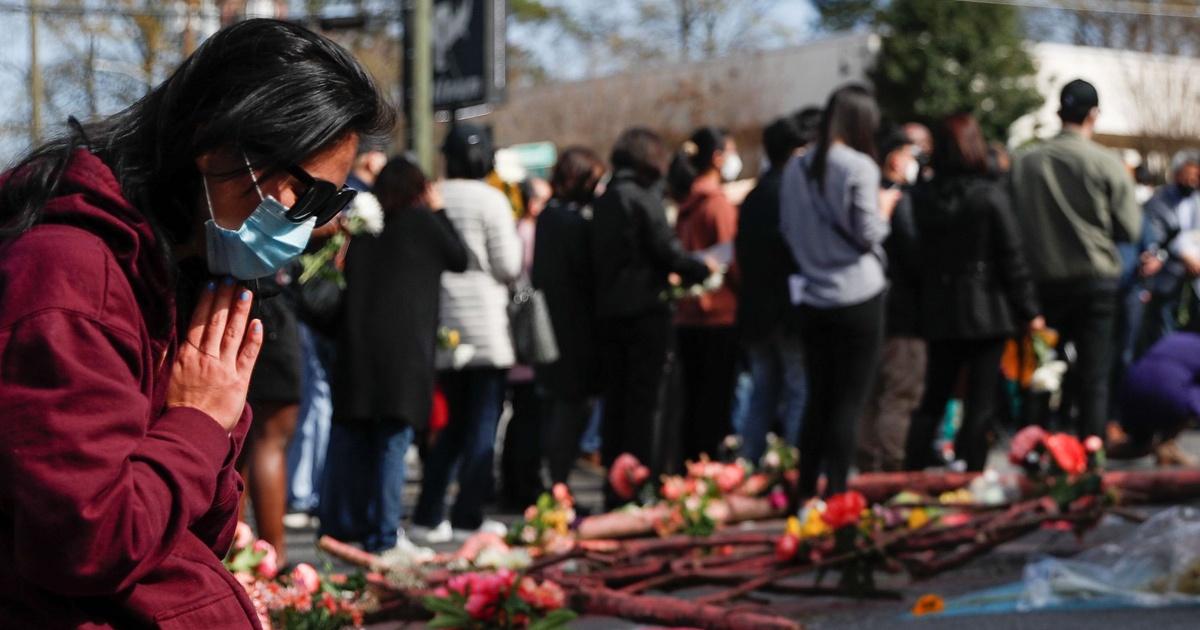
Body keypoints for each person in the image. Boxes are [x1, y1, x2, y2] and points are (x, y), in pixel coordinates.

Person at [0, 18, 392, 627]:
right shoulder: (70, 279)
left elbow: (193, 531)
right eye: (307, 195)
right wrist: (198, 423)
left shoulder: (182, 276)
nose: (316, 227)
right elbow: (89, 545)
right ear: (216, 143)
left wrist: (216, 425)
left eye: (333, 204)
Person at [321, 157, 467, 552]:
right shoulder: (425, 224)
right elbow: (461, 258)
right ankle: (384, 536)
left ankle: (347, 527)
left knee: (358, 441)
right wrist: (440, 209)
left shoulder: (364, 228)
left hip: (358, 350)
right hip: (405, 355)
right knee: (393, 443)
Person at [904, 114, 1043, 472]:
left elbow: (915, 255)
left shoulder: (923, 197)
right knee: (980, 402)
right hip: (986, 309)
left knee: (935, 395)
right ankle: (972, 475)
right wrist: (1029, 310)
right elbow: (1012, 257)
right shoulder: (989, 196)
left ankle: (912, 470)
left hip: (939, 306)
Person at [779, 84, 894, 499]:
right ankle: (838, 495)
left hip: (811, 294)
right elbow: (869, 234)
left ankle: (805, 490)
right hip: (858, 294)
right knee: (848, 401)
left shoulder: (795, 167)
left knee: (817, 399)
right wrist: (887, 211)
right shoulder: (859, 166)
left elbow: (788, 230)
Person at [1010, 79, 1141, 440]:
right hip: (1095, 281)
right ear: (1093, 115)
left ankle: (1031, 453)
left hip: (1042, 282)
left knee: (1042, 372)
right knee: (1094, 376)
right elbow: (1130, 227)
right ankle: (1090, 457)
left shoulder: (1025, 163)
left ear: (1058, 112)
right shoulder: (1105, 163)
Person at [591, 127, 714, 507]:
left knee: (616, 402)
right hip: (645, 312)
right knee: (646, 404)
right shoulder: (643, 198)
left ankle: (615, 481)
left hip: (609, 312)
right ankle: (641, 482)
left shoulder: (607, 197)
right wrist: (703, 268)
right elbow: (666, 250)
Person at [412, 124, 522, 542]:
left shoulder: (433, 194)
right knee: (481, 426)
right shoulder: (492, 200)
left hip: (441, 324)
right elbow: (509, 265)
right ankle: (468, 516)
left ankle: (427, 513)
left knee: (451, 427)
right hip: (486, 327)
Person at [532, 147, 606, 491]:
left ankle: (556, 481)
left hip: (556, 327)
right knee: (569, 409)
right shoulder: (570, 222)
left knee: (562, 408)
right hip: (572, 330)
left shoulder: (549, 216)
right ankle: (557, 484)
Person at [667, 127, 742, 463]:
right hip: (719, 315)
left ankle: (688, 471)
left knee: (693, 403)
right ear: (717, 157)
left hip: (687, 315)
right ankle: (708, 471)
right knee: (715, 403)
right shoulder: (717, 205)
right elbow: (734, 261)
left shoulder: (686, 206)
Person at [735, 117, 807, 462]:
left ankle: (749, 461)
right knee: (797, 390)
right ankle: (793, 467)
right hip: (788, 311)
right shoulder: (793, 194)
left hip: (754, 310)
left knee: (763, 392)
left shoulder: (752, 197)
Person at [856, 128, 925, 473]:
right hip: (904, 312)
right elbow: (914, 256)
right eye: (911, 153)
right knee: (900, 393)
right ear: (895, 157)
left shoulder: (862, 196)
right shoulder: (901, 201)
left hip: (869, 307)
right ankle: (892, 466)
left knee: (871, 392)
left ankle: (867, 463)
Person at [501, 176, 553, 510]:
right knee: (528, 415)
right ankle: (523, 484)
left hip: (517, 337)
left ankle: (514, 482)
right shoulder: (530, 234)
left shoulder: (515, 230)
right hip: (528, 338)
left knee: (522, 414)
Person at [1140, 150, 1200, 352]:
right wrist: (1184, 256)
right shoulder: (1160, 201)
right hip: (1167, 276)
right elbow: (1156, 236)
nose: (1192, 180)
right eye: (1187, 175)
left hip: (1195, 277)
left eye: (1196, 176)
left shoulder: (1196, 199)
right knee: (1164, 328)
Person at [1112, 331, 1200, 461]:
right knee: (1190, 395)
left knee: (1140, 447)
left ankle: (1098, 453)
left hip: (1131, 389)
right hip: (1168, 394)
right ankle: (1167, 445)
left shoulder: (1176, 338)